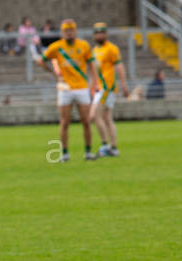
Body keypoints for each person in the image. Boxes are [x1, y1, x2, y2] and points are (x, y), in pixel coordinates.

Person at [36, 18, 98, 162]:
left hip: (82, 87)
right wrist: (52, 72)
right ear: (62, 32)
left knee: (86, 121)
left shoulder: (83, 45)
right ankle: (64, 153)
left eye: (71, 30)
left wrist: (94, 82)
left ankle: (88, 152)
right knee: (64, 122)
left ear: (75, 31)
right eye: (66, 31)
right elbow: (40, 60)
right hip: (65, 88)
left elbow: (91, 65)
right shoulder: (57, 46)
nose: (69, 33)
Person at [89, 22, 129, 157]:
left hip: (107, 87)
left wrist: (123, 84)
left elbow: (119, 66)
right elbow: (93, 71)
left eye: (102, 32)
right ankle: (113, 147)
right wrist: (92, 85)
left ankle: (105, 145)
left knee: (94, 115)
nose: (99, 35)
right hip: (99, 88)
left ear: (106, 34)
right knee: (107, 118)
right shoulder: (94, 51)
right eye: (97, 33)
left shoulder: (112, 48)